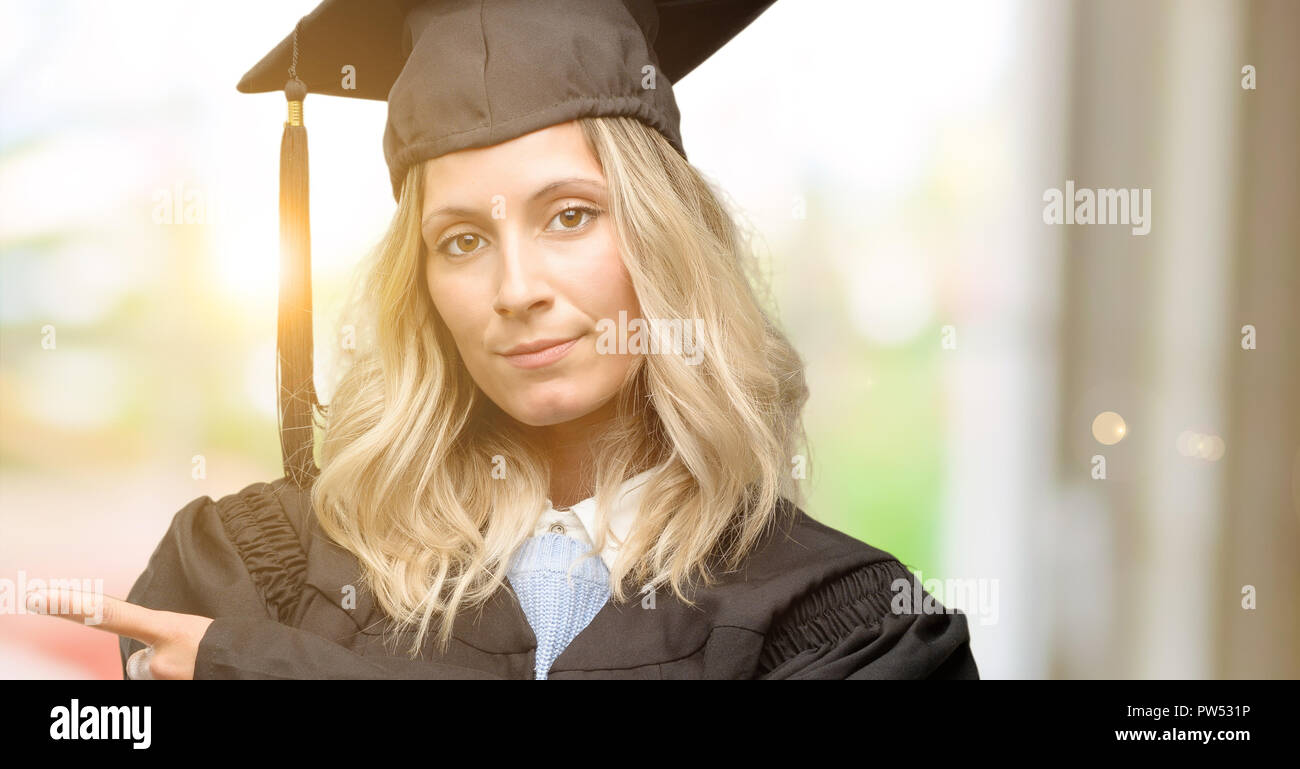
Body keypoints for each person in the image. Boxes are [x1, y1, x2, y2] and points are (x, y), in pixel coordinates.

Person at [29, 0, 979, 680]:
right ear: (423, 283)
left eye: (569, 216)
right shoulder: (258, 567)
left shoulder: (843, 622)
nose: (515, 290)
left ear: (664, 238)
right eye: (464, 240)